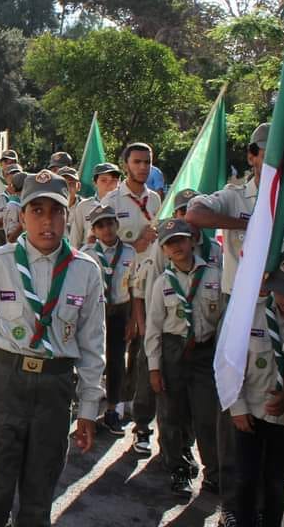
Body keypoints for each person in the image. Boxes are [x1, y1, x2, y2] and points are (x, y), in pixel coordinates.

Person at [0, 169, 105, 527]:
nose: (47, 221)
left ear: (67, 215)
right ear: (22, 216)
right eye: (36, 211)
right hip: (5, 384)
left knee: (39, 503)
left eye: (55, 211)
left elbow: (92, 345)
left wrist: (87, 408)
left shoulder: (85, 271)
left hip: (55, 389)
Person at [186, 123, 284, 294]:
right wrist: (248, 225)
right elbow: (194, 215)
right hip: (240, 307)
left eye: (281, 159)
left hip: (281, 310)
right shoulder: (233, 198)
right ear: (251, 157)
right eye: (268, 158)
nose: (275, 166)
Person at [230, 251, 284, 527]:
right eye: (282, 292)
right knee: (245, 478)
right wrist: (237, 407)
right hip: (250, 412)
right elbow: (232, 363)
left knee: (276, 481)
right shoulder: (250, 315)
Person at [145, 218, 225, 497]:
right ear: (163, 250)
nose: (177, 246)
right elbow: (153, 329)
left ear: (192, 240)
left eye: (181, 239)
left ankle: (214, 472)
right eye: (170, 243)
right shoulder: (162, 284)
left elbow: (224, 319)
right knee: (171, 413)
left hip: (205, 352)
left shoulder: (215, 277)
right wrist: (154, 369)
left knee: (207, 415)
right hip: (172, 351)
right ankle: (177, 467)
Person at [99, 142, 161, 456]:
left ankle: (136, 414)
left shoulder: (157, 199)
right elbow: (105, 240)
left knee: (141, 352)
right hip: (119, 289)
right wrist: (135, 242)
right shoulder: (112, 200)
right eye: (137, 161)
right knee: (115, 349)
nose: (143, 167)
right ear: (126, 165)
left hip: (148, 287)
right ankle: (113, 405)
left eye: (147, 162)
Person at [80, 204, 139, 437]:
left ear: (117, 224)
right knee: (92, 358)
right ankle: (88, 406)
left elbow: (134, 286)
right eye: (101, 225)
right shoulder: (88, 253)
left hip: (120, 310)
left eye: (110, 223)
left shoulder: (129, 253)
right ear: (94, 229)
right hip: (95, 311)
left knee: (116, 361)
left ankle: (112, 409)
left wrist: (133, 318)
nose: (107, 229)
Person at [68, 162, 121, 247]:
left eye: (114, 180)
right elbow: (75, 240)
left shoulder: (125, 204)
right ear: (95, 183)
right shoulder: (83, 206)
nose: (109, 184)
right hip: (91, 256)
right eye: (104, 180)